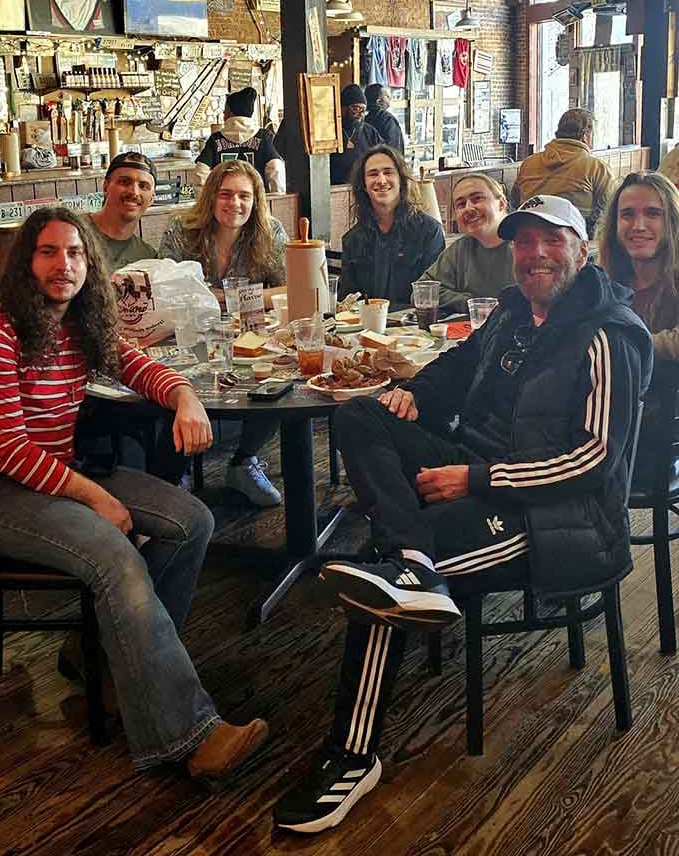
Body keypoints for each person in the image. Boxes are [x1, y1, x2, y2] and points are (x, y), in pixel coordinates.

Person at [274, 194, 652, 833]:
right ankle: (414, 561)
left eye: (550, 240)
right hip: (477, 471)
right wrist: (410, 395)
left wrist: (479, 479)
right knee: (358, 413)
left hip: (554, 517)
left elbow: (595, 460)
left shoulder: (608, 332)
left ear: (581, 249)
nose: (534, 254)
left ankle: (351, 757)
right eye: (523, 242)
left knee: (375, 581)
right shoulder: (512, 311)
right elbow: (453, 371)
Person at [0, 208, 268, 781]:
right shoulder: (3, 329)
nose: (63, 264)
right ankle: (185, 734)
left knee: (193, 520)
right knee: (115, 556)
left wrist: (185, 398)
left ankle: (113, 664)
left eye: (74, 253)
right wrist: (96, 498)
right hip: (8, 489)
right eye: (48, 252)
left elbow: (140, 365)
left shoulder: (82, 322)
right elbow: (9, 449)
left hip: (62, 471)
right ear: (26, 263)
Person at [159, 160, 286, 506]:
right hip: (187, 338)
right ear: (211, 197)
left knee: (281, 382)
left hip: (252, 338)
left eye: (245, 196)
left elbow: (290, 287)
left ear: (255, 200)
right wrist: (241, 297)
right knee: (175, 385)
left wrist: (217, 296)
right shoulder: (180, 231)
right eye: (226, 194)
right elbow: (165, 290)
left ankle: (245, 460)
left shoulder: (269, 232)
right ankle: (176, 472)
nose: (235, 203)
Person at [338, 145, 445, 309]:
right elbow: (347, 301)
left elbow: (433, 297)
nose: (381, 180)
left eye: (388, 172)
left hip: (414, 328)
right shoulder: (353, 239)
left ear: (401, 180)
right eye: (373, 174)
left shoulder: (430, 232)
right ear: (364, 185)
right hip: (366, 330)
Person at [597, 172, 679, 360]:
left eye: (652, 214)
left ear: (672, 221)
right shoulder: (603, 283)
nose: (639, 226)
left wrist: (622, 344)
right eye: (627, 214)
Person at [417, 173, 515, 315]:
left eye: (477, 199)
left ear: (501, 204)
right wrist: (469, 303)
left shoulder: (524, 246)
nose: (469, 208)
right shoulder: (460, 249)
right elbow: (422, 291)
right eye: (461, 204)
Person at [513, 108, 615, 237]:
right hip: (575, 237)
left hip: (529, 232)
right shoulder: (596, 167)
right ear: (586, 136)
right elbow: (609, 208)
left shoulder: (528, 163)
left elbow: (516, 201)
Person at [192, 87, 285, 194]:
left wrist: (205, 204)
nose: (223, 114)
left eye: (225, 110)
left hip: (225, 204)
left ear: (231, 112)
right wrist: (275, 200)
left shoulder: (215, 139)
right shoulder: (264, 137)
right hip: (256, 202)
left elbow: (200, 174)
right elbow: (276, 169)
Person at [84, 152, 158, 272]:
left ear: (152, 198)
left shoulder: (148, 258)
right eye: (125, 182)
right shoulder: (73, 232)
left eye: (143, 186)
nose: (134, 192)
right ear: (105, 187)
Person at [330, 84, 383, 185]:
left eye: (363, 110)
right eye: (356, 109)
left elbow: (382, 156)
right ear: (343, 108)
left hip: (364, 187)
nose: (360, 114)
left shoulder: (370, 132)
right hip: (335, 188)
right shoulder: (331, 130)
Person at [364, 84, 405, 153]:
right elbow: (394, 149)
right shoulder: (388, 119)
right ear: (379, 102)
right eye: (387, 96)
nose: (390, 98)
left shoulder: (365, 120)